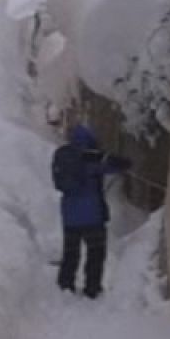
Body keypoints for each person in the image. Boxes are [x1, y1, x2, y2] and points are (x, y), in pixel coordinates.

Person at [50, 125, 130, 298]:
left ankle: (66, 284)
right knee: (96, 253)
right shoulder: (92, 160)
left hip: (69, 216)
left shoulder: (64, 156)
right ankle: (92, 288)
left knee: (70, 252)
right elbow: (117, 165)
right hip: (92, 217)